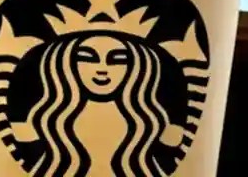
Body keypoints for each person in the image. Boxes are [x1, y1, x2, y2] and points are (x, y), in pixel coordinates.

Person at [14, 32, 186, 177]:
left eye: (117, 59)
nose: (102, 69)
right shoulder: (44, 119)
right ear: (67, 63)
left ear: (135, 66)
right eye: (87, 58)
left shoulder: (152, 121)